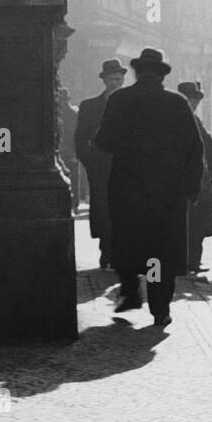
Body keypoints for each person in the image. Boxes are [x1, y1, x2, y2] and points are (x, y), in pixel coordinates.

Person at [94, 48, 203, 328]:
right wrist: (191, 188)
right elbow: (195, 148)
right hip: (166, 196)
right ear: (161, 75)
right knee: (159, 253)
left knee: (128, 245)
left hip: (128, 191)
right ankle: (159, 306)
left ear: (138, 72)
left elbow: (104, 142)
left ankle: (131, 291)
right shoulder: (177, 104)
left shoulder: (120, 100)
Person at [75, 58, 127, 266]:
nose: (115, 83)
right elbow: (80, 139)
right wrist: (91, 163)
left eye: (118, 79)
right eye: (111, 79)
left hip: (125, 167)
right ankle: (106, 250)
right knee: (103, 210)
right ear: (104, 81)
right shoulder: (90, 107)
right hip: (101, 167)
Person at [178, 80, 212, 276]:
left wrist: (210, 171)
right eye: (189, 99)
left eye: (195, 100)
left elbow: (209, 146)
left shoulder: (195, 120)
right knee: (187, 223)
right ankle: (186, 261)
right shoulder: (176, 120)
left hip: (198, 180)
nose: (193, 103)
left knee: (199, 222)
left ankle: (193, 261)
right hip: (182, 180)